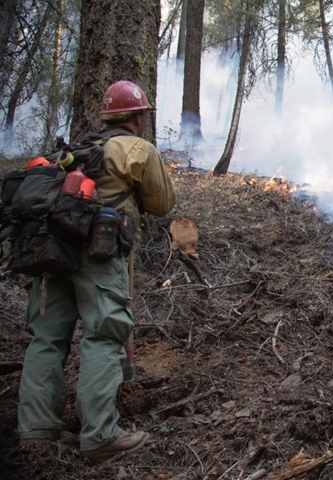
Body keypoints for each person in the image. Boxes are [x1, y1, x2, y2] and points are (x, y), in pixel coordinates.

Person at [17, 80, 176, 463]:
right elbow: (162, 203)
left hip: (52, 250)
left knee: (47, 339)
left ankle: (36, 431)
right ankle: (100, 434)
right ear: (138, 117)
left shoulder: (73, 150)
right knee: (104, 335)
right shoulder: (137, 150)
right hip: (100, 254)